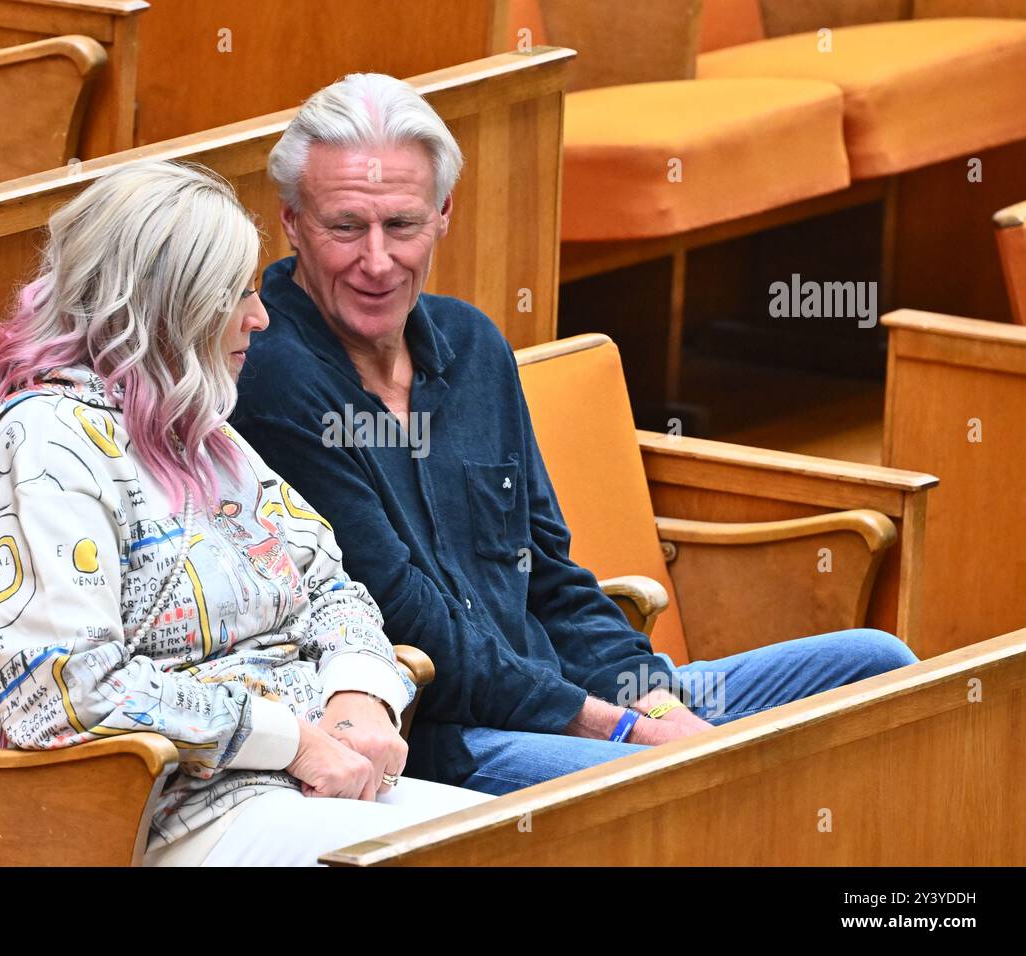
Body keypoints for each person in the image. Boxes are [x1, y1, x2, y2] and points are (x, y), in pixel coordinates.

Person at [230, 73, 921, 796]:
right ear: (293, 223)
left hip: (572, 699)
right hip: (448, 732)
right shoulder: (273, 377)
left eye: (401, 225)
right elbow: (406, 618)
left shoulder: (473, 345)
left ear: (442, 215)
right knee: (671, 780)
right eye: (345, 227)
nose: (377, 261)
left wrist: (653, 700)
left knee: (879, 666)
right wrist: (624, 729)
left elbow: (553, 578)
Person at [0, 160, 490, 866]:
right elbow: (62, 696)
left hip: (306, 785)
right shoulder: (42, 447)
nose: (260, 316)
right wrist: (295, 740)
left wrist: (359, 695)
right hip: (163, 819)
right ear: (165, 306)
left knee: (549, 839)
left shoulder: (198, 430)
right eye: (236, 293)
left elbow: (331, 587)